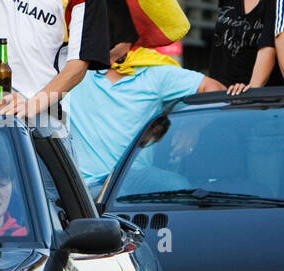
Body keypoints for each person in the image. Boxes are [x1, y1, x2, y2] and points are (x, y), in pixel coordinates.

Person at [61, 47, 224, 196]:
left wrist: (193, 128)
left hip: (133, 180)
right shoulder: (72, 68)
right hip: (80, 184)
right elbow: (44, 105)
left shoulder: (155, 73)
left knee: (181, 188)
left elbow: (215, 89)